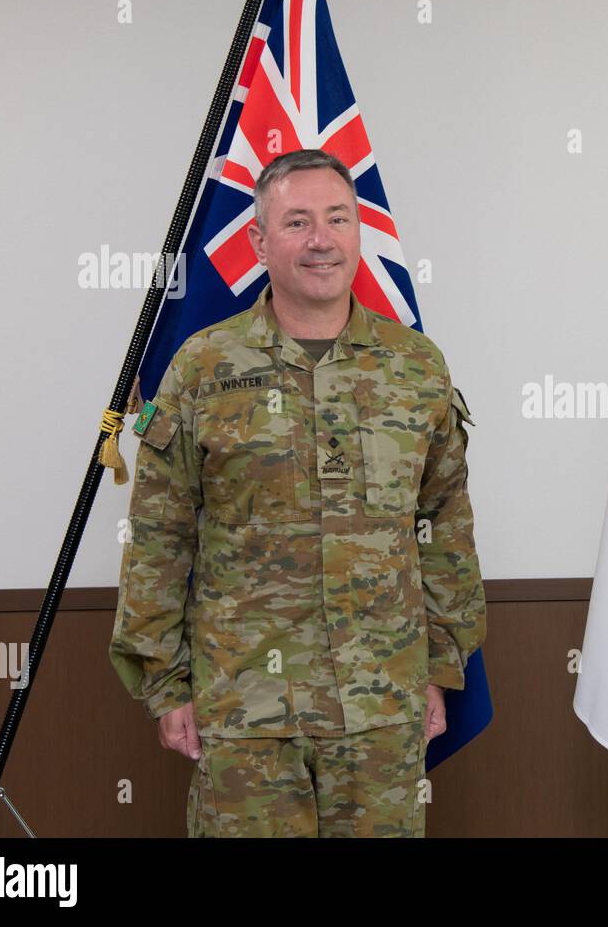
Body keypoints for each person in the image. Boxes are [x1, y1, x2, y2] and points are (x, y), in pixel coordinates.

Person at [110, 148, 485, 837]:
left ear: (357, 231)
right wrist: (165, 684)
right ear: (259, 240)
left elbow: (445, 527)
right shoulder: (202, 368)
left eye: (338, 218)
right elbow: (161, 537)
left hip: (380, 707)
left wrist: (441, 666)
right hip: (247, 705)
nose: (321, 239)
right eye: (298, 222)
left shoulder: (415, 368)